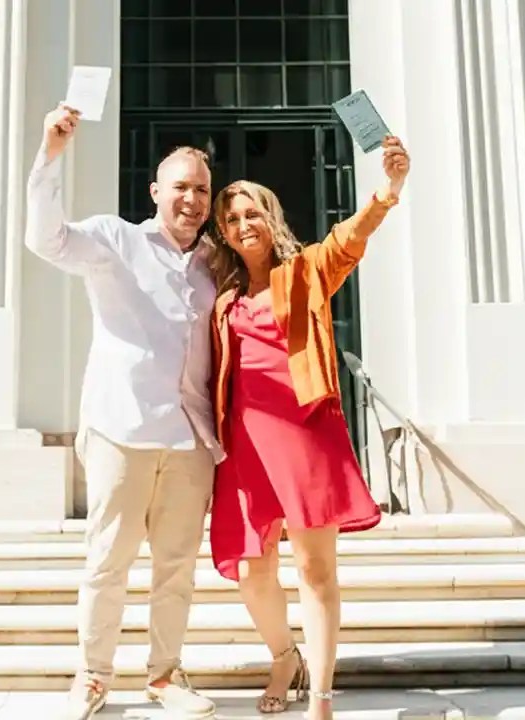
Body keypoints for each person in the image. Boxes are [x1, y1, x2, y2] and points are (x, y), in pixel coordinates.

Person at [24, 103, 223, 720]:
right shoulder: (116, 240)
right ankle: (93, 675)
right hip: (122, 428)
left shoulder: (214, 264)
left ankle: (165, 675)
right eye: (181, 187)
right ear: (155, 191)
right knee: (108, 561)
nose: (192, 199)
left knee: (176, 567)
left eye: (202, 190)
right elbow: (46, 240)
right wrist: (51, 154)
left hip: (191, 438)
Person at [206, 136, 411, 719]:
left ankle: (320, 694)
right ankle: (284, 656)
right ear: (223, 232)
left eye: (252, 213)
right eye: (232, 219)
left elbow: (348, 239)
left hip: (304, 434)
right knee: (252, 571)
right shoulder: (221, 294)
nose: (243, 225)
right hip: (245, 443)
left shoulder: (305, 271)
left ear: (271, 217)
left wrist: (388, 190)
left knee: (315, 568)